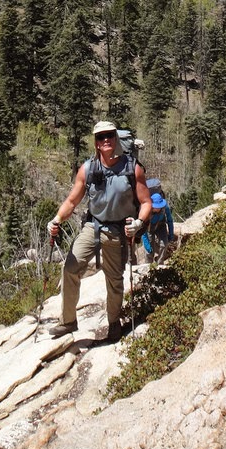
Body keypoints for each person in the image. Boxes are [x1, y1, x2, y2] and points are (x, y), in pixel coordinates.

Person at [47, 121, 152, 343]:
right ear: (95, 142)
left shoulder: (133, 168)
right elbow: (72, 200)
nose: (106, 140)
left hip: (118, 230)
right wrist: (57, 219)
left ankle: (114, 323)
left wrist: (139, 223)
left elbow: (145, 202)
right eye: (101, 136)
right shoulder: (88, 168)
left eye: (109, 136)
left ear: (115, 139)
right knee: (70, 268)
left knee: (114, 280)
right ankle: (67, 321)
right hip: (92, 226)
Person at [142, 192, 175, 264]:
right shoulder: (147, 210)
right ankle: (148, 266)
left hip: (161, 226)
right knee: (149, 251)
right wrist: (147, 244)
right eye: (157, 207)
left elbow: (170, 220)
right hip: (149, 228)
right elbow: (142, 229)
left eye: (160, 206)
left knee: (164, 244)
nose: (158, 208)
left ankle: (160, 264)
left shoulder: (165, 207)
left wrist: (171, 234)